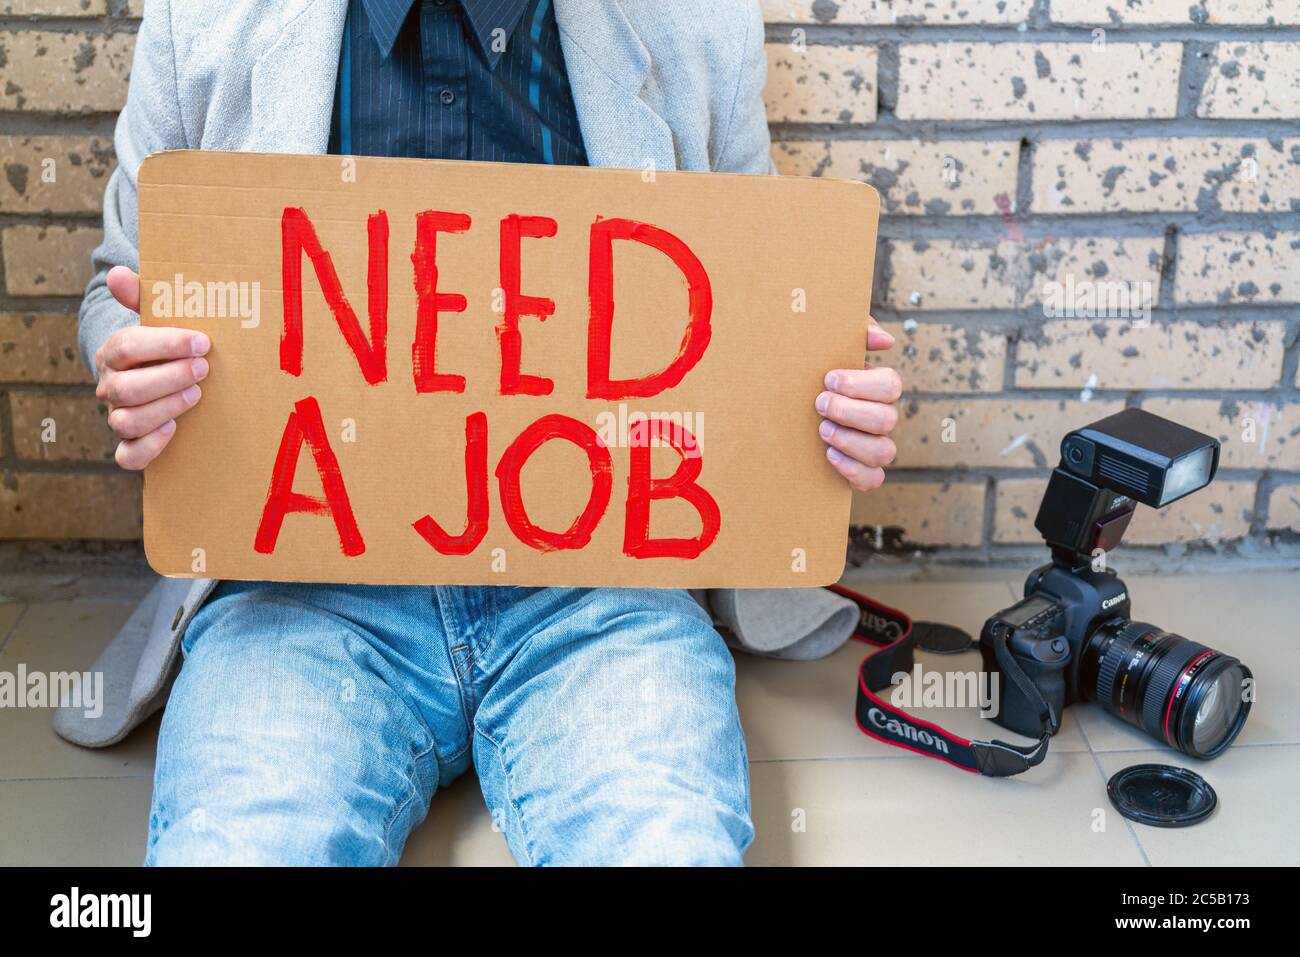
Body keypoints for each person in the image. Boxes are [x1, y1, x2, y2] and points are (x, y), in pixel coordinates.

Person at [78, 0, 902, 866]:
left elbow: (756, 303)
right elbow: (121, 283)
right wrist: (133, 364)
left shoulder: (698, 23)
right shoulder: (202, 20)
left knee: (665, 845)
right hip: (298, 591)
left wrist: (824, 403)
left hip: (600, 585)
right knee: (243, 850)